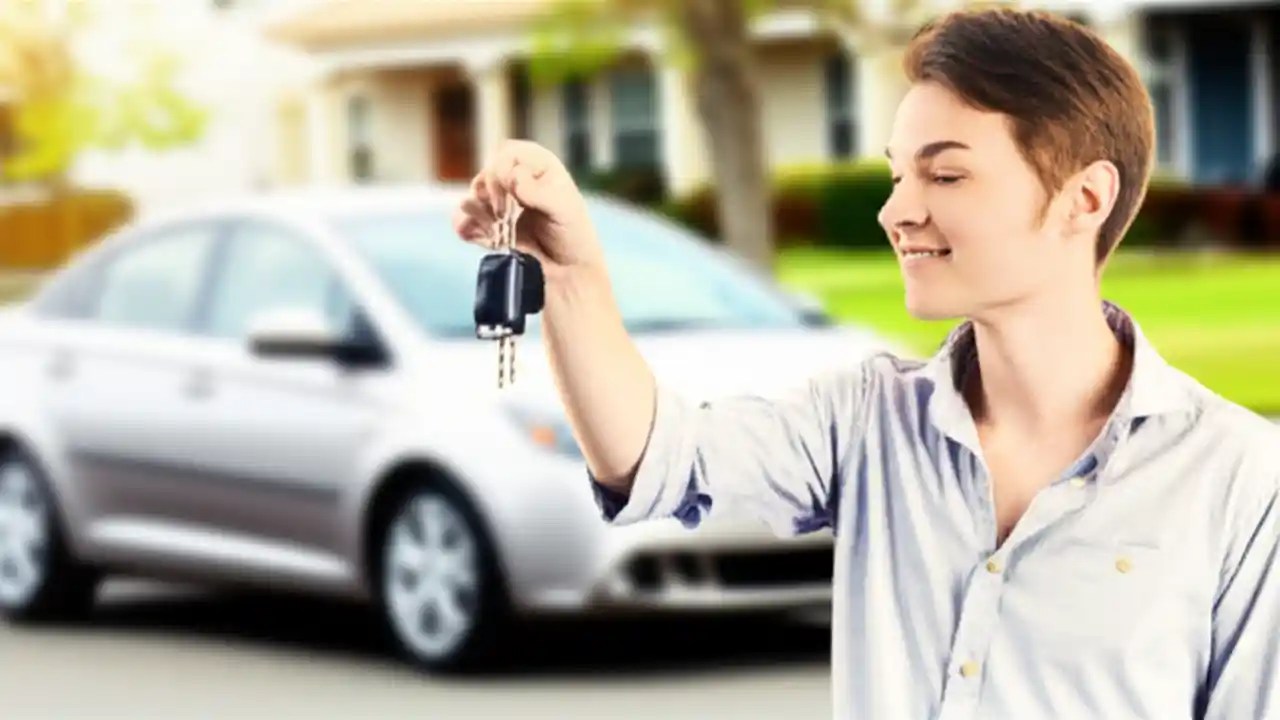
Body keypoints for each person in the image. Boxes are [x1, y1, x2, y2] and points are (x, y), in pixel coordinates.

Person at [454, 8, 1279, 719]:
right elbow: (652, 456)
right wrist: (571, 273)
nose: (896, 210)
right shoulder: (865, 422)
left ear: (1084, 199)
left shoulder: (1238, 479)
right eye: (895, 173)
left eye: (945, 173)